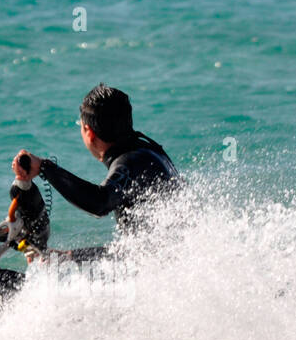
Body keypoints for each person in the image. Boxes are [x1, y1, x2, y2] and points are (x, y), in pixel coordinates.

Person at [12, 83, 179, 262]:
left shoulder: (129, 163)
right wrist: (68, 257)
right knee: (63, 260)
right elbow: (136, 251)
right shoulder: (146, 151)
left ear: (89, 132)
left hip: (164, 264)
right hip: (170, 259)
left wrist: (45, 167)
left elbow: (100, 202)